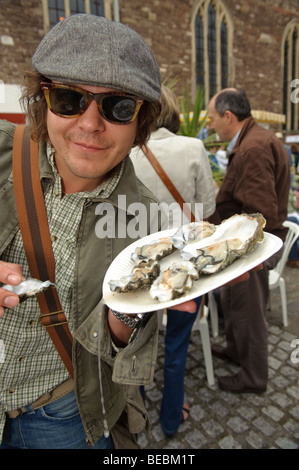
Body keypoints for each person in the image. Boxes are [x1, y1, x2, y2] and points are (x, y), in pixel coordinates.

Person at [0, 14, 198, 449]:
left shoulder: (146, 219)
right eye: (69, 99)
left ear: (140, 122)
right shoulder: (2, 148)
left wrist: (133, 309)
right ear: (43, 100)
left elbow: (119, 344)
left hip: (60, 416)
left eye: (118, 107)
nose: (90, 125)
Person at [130, 85, 216, 436]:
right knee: (177, 345)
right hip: (184, 264)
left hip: (139, 263)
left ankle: (134, 411)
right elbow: (207, 209)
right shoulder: (193, 147)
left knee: (133, 343)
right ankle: (170, 417)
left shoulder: (128, 151)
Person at [208, 88, 290, 394]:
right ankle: (235, 350)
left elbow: (260, 212)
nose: (210, 124)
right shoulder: (254, 140)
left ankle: (254, 377)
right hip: (245, 244)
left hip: (252, 247)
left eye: (212, 118)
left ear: (228, 116)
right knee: (235, 302)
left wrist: (237, 245)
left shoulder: (252, 148)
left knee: (249, 311)